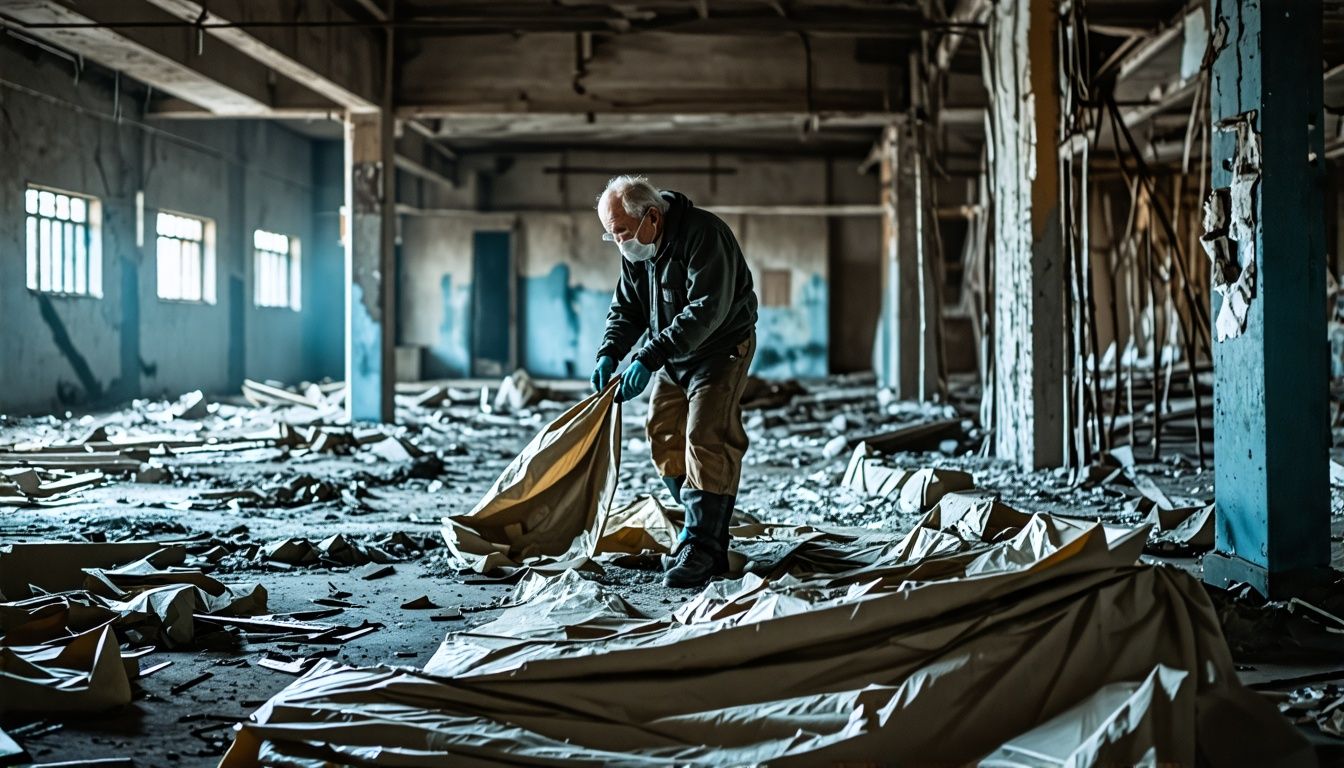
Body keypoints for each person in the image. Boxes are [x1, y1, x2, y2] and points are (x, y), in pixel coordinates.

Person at [591, 175, 758, 589]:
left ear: (652, 217)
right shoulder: (638, 249)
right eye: (612, 236)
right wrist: (609, 352)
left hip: (719, 350)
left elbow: (707, 310)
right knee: (663, 434)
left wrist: (647, 357)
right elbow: (627, 308)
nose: (619, 243)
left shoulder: (705, 234)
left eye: (622, 233)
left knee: (706, 438)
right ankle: (699, 528)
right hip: (672, 352)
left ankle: (705, 546)